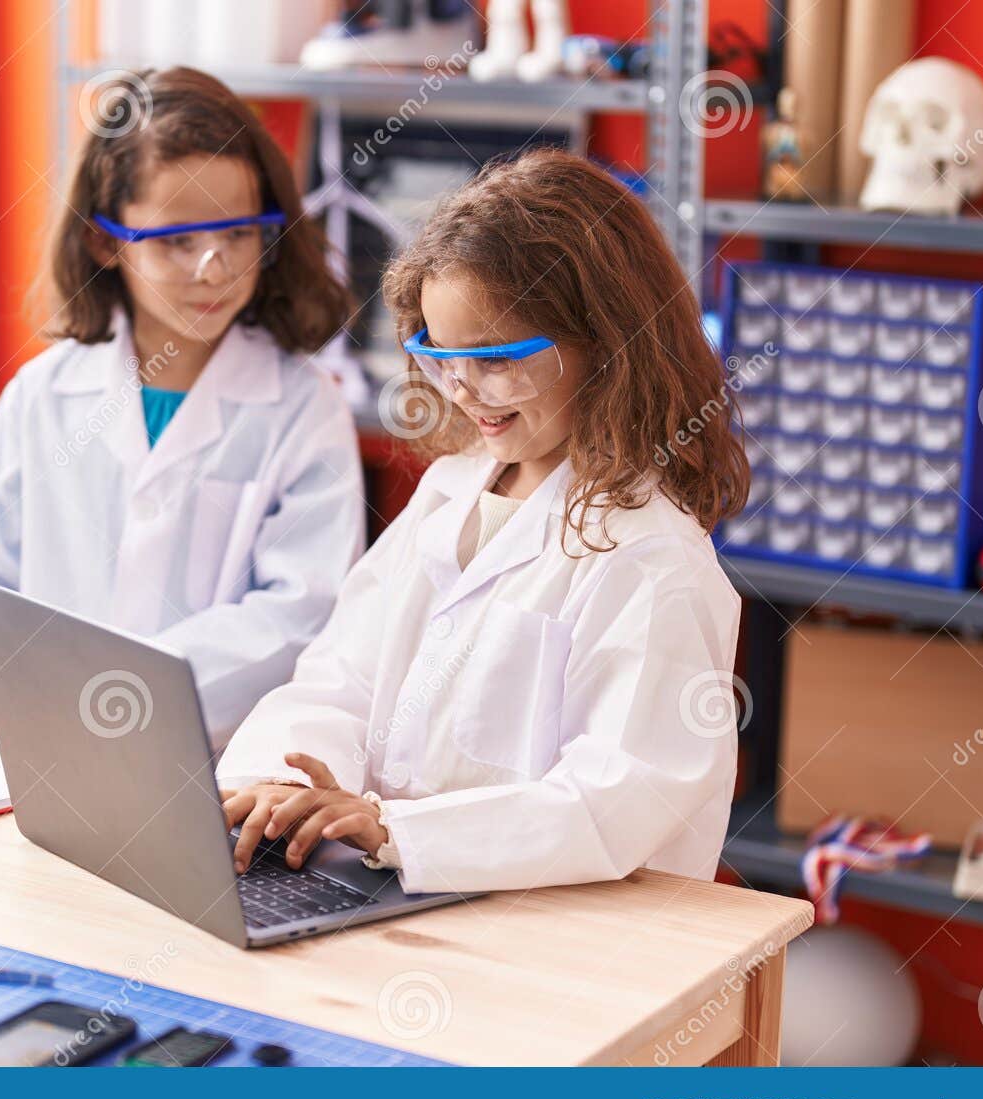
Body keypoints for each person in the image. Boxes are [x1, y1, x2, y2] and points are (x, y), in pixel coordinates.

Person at [217, 150, 750, 895]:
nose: (464, 390)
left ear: (607, 346)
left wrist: (396, 829)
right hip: (408, 903)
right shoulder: (450, 490)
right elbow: (340, 678)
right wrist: (279, 780)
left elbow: (615, 802)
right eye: (441, 356)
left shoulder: (651, 555)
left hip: (563, 946)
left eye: (497, 360)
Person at [0, 67, 362, 744]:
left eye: (241, 234)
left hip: (213, 760)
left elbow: (299, 615)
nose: (215, 269)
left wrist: (107, 690)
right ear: (106, 241)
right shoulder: (45, 395)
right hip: (49, 752)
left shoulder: (303, 408)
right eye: (176, 242)